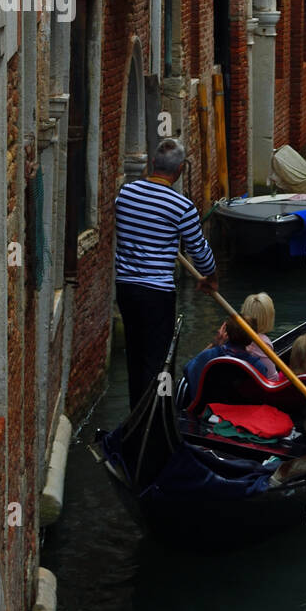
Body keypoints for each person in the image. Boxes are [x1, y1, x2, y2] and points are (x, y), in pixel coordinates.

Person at [114, 137, 216, 410]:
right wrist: (210, 277)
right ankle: (155, 417)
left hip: (125, 288)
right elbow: (199, 250)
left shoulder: (125, 195)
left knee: (135, 355)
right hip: (157, 292)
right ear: (181, 169)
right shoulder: (182, 207)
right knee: (159, 359)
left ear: (151, 163)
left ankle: (138, 411)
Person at [182, 292, 277, 397]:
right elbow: (266, 388)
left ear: (227, 331)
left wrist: (214, 344)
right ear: (250, 340)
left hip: (209, 408)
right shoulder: (257, 365)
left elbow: (188, 368)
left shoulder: (209, 355)